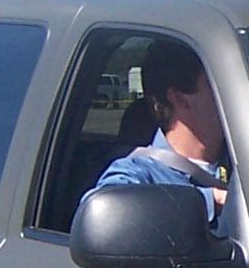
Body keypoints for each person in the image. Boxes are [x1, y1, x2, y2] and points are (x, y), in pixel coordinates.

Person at [83, 40, 229, 222]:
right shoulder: (139, 173)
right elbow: (105, 215)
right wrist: (211, 201)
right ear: (179, 98)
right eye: (217, 85)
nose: (232, 95)